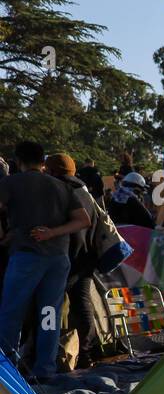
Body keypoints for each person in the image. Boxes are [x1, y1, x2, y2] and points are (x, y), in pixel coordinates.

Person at [0, 141, 91, 379]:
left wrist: (8, 234)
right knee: (49, 313)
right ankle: (45, 369)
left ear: (19, 161)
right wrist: (53, 232)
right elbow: (83, 220)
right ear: (43, 161)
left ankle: (6, 370)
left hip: (27, 257)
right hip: (58, 258)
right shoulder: (62, 187)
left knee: (12, 313)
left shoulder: (11, 182)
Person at [45, 153, 103, 366]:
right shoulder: (85, 190)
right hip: (87, 256)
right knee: (82, 304)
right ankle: (87, 352)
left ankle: (49, 353)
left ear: (53, 171)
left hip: (65, 255)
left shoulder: (61, 191)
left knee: (49, 305)